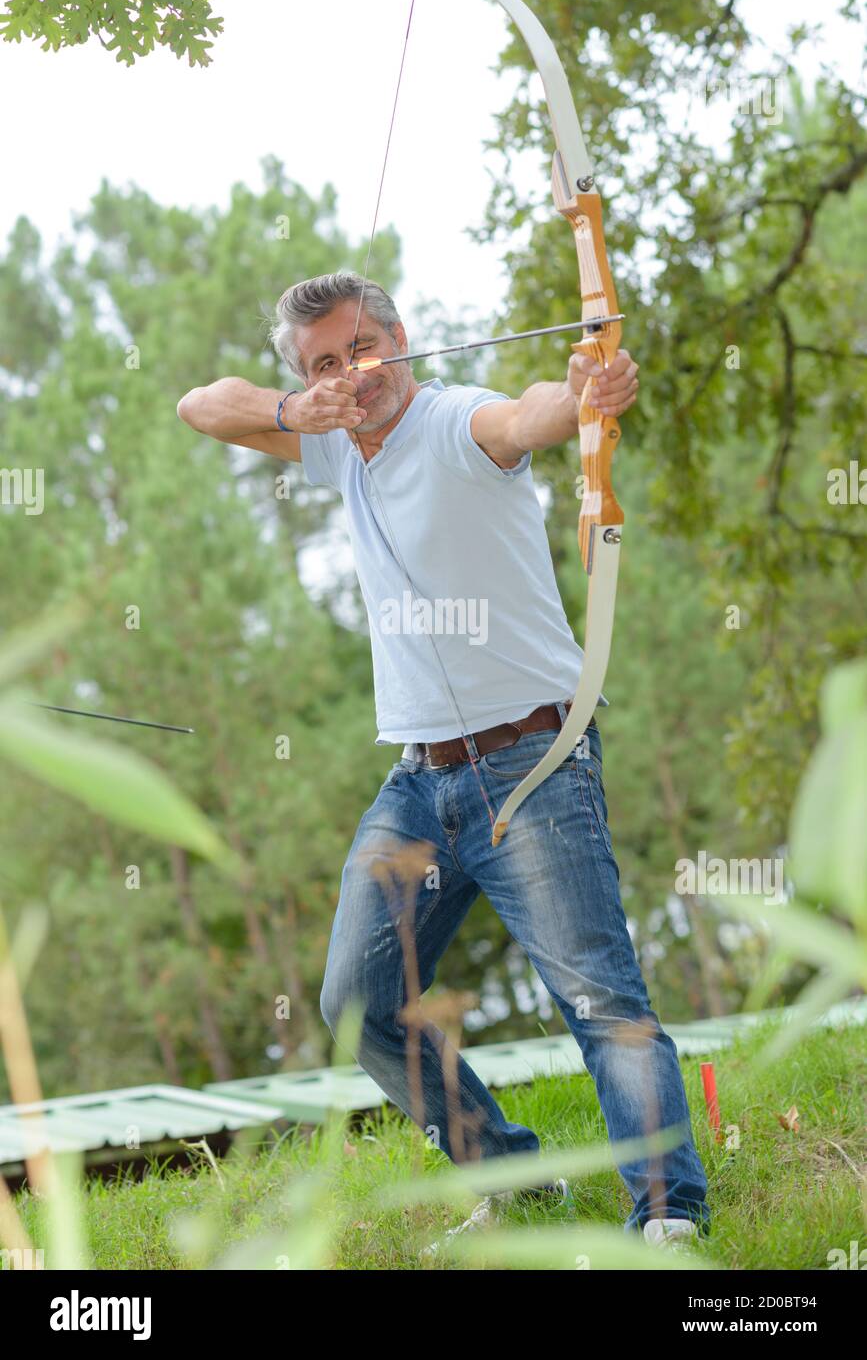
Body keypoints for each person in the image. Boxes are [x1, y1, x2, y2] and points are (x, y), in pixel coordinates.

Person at [177, 271, 709, 1247]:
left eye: (362, 349)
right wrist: (302, 407)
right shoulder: (334, 447)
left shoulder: (460, 420)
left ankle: (668, 1213)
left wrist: (585, 392)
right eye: (326, 362)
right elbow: (198, 404)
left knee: (598, 996)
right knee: (357, 1000)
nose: (353, 374)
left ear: (403, 338)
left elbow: (529, 418)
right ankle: (506, 1172)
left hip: (530, 767)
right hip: (419, 780)